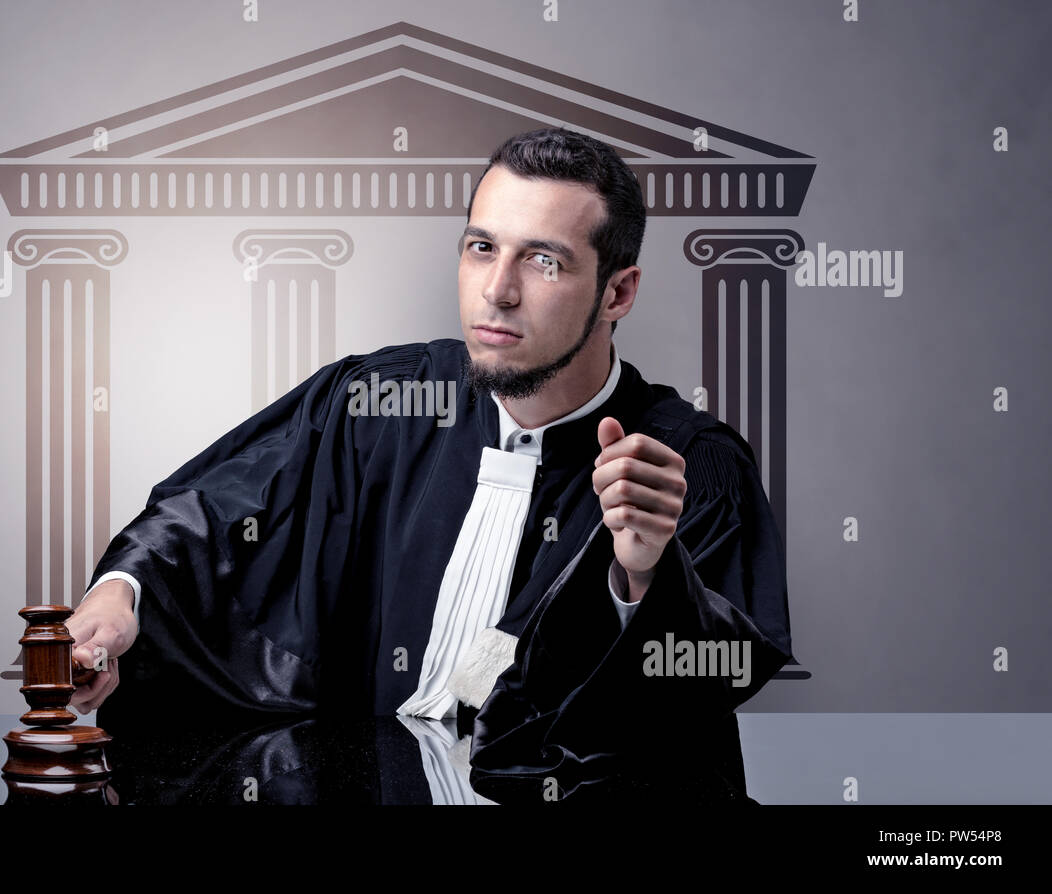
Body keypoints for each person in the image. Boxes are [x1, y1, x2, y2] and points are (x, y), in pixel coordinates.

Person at [66, 126, 794, 801]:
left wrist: (643, 581)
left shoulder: (683, 465)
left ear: (618, 292)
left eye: (544, 261)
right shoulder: (385, 399)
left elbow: (711, 684)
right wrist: (121, 595)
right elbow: (219, 507)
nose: (498, 291)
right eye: (482, 248)